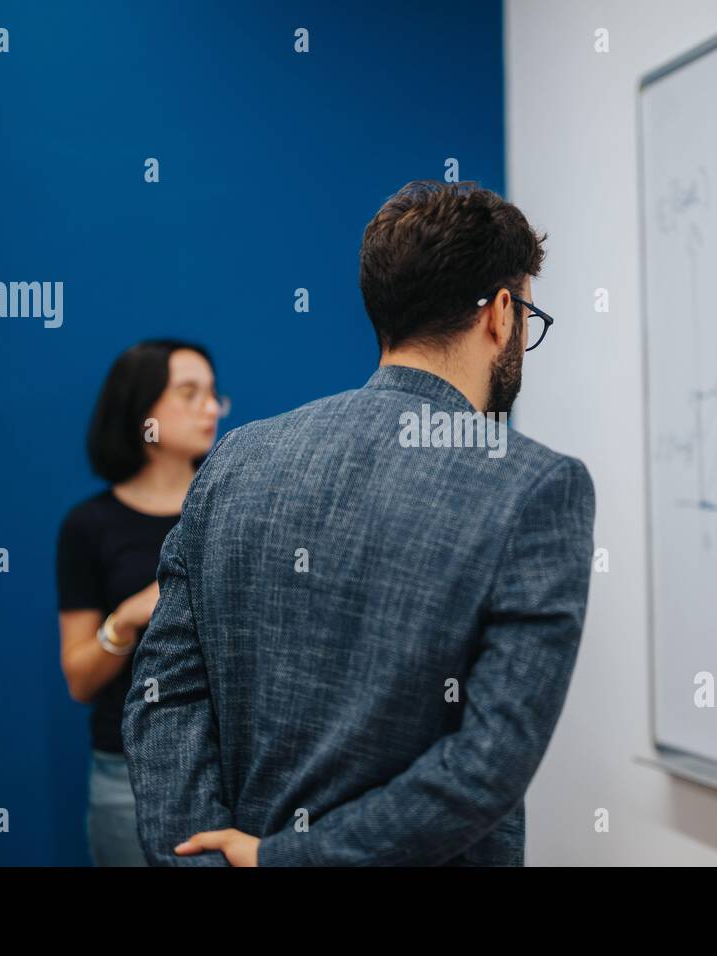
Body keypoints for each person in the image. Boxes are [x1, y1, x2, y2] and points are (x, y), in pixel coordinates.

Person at [123, 180, 596, 866]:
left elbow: (162, 695)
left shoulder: (235, 461)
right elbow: (487, 763)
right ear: (500, 312)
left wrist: (203, 858)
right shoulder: (538, 487)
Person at [55, 340, 226, 866]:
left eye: (215, 394)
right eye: (189, 393)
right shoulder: (89, 527)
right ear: (140, 409)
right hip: (127, 773)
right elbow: (79, 678)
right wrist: (127, 619)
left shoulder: (234, 504)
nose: (211, 407)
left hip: (234, 763)